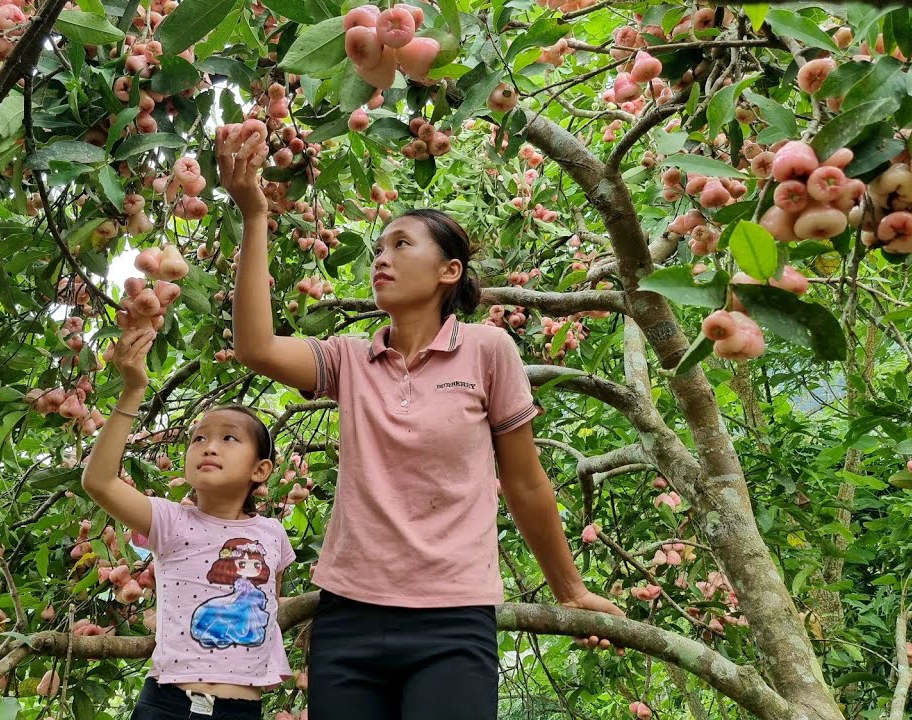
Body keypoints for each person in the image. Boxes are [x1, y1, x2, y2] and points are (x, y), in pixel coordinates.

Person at [216, 119, 624, 720]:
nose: (381, 257)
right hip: (348, 616)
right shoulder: (351, 359)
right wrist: (254, 215)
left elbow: (526, 481)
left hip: (452, 622)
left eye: (401, 244)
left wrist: (570, 590)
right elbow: (255, 346)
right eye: (379, 248)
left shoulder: (488, 350)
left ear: (448, 271)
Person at [81, 326, 295, 720]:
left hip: (243, 710)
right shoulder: (170, 519)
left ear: (261, 470)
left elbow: (270, 606)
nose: (208, 445)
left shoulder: (273, 533)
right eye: (197, 439)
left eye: (229, 438)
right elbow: (99, 481)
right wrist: (132, 391)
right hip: (168, 704)